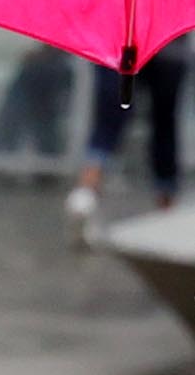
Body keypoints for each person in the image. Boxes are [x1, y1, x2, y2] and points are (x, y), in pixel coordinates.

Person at [64, 35, 190, 238]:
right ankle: (167, 207)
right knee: (164, 124)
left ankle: (85, 195)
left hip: (119, 40)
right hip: (168, 43)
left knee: (108, 121)